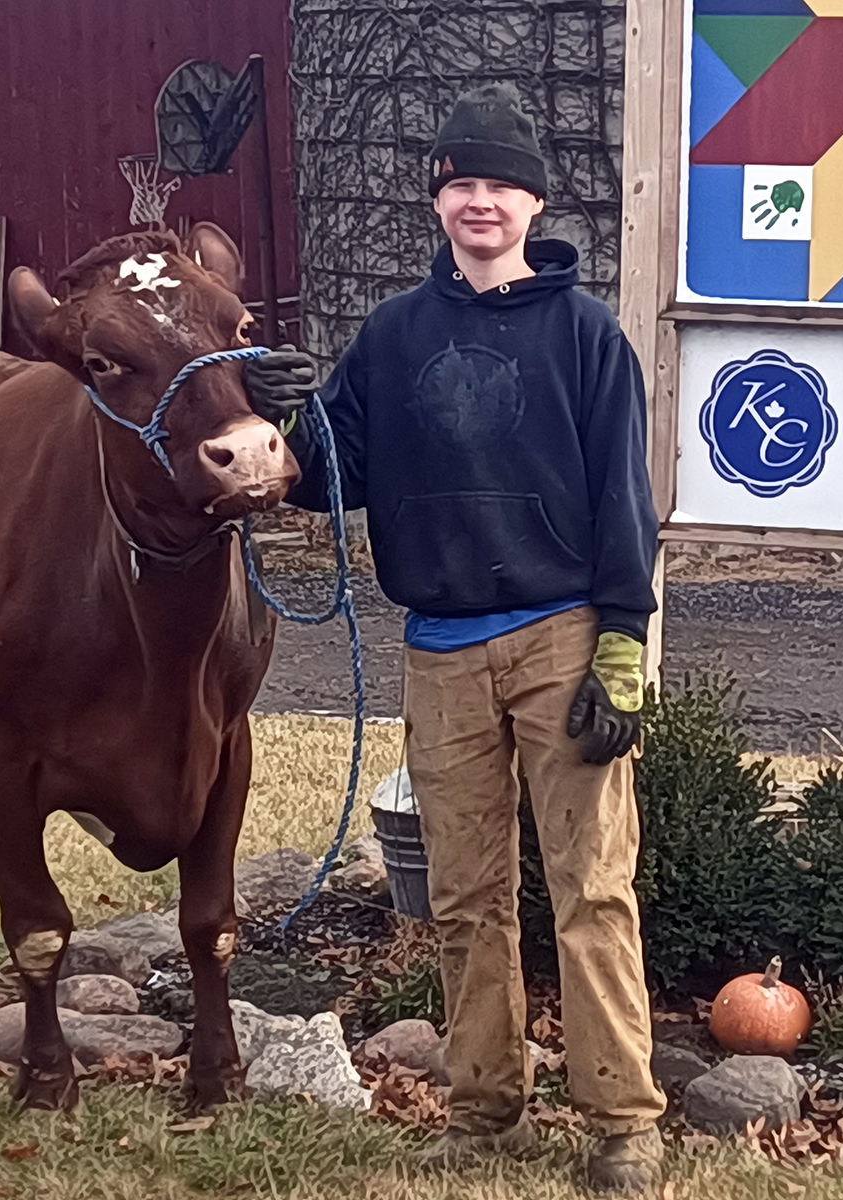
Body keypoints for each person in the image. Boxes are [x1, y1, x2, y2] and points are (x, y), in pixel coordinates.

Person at [244, 84, 667, 1194]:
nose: (480, 202)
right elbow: (326, 480)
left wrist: (622, 643)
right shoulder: (392, 335)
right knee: (464, 899)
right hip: (438, 648)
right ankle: (485, 1111)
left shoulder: (585, 336)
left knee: (591, 887)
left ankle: (622, 1123)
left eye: (499, 184)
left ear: (533, 200)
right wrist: (283, 414)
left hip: (560, 637)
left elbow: (626, 499)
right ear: (438, 201)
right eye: (459, 183)